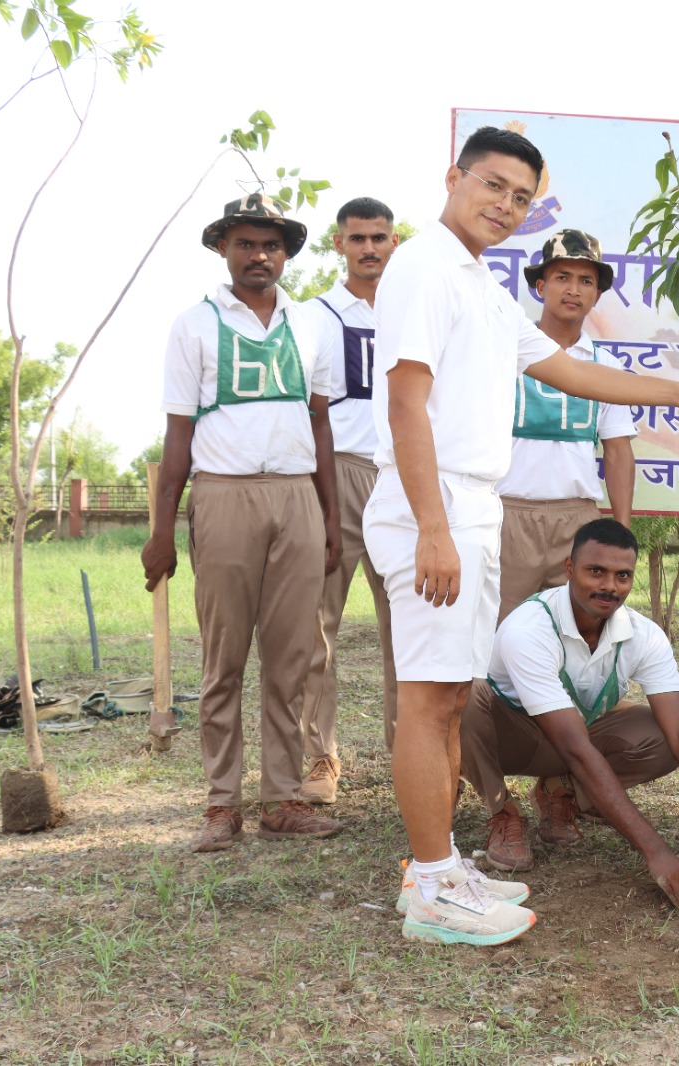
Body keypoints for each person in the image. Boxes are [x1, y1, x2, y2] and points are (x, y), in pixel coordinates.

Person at [366, 126, 679, 947]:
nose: (504, 205)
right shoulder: (424, 266)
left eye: (521, 197)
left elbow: (571, 370)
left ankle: (440, 866)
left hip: (470, 504)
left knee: (451, 694)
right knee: (428, 703)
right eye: (492, 186)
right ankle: (430, 889)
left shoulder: (482, 288)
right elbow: (405, 405)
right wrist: (432, 526)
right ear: (454, 178)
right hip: (437, 505)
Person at [142, 193, 343, 852]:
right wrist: (162, 530)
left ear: (287, 254)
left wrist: (331, 520)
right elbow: (177, 437)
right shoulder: (193, 325)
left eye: (273, 245)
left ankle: (283, 798)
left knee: (292, 659)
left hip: (296, 499)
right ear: (224, 249)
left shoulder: (311, 324)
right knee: (224, 658)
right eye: (247, 244)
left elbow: (320, 423)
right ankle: (221, 804)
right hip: (224, 497)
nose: (260, 256)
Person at [459, 519, 679, 912]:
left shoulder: (643, 635)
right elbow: (576, 747)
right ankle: (503, 813)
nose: (609, 586)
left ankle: (560, 792)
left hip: (570, 739)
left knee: (665, 735)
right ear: (568, 570)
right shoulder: (530, 628)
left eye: (622, 575)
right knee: (464, 697)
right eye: (595, 571)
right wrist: (656, 853)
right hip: (510, 740)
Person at [295, 197, 401, 803]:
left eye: (379, 238)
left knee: (409, 625)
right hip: (334, 474)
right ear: (338, 243)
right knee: (318, 625)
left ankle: (410, 749)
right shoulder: (314, 316)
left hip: (402, 477)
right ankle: (320, 758)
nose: (369, 248)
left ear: (393, 243)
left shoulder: (411, 311)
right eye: (357, 238)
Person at [496, 229, 638, 622]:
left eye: (586, 281)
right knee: (497, 631)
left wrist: (620, 534)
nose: (573, 290)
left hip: (577, 520)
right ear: (540, 286)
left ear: (597, 295)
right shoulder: (503, 354)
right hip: (507, 514)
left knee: (575, 633)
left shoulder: (605, 368)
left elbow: (618, 450)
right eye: (562, 277)